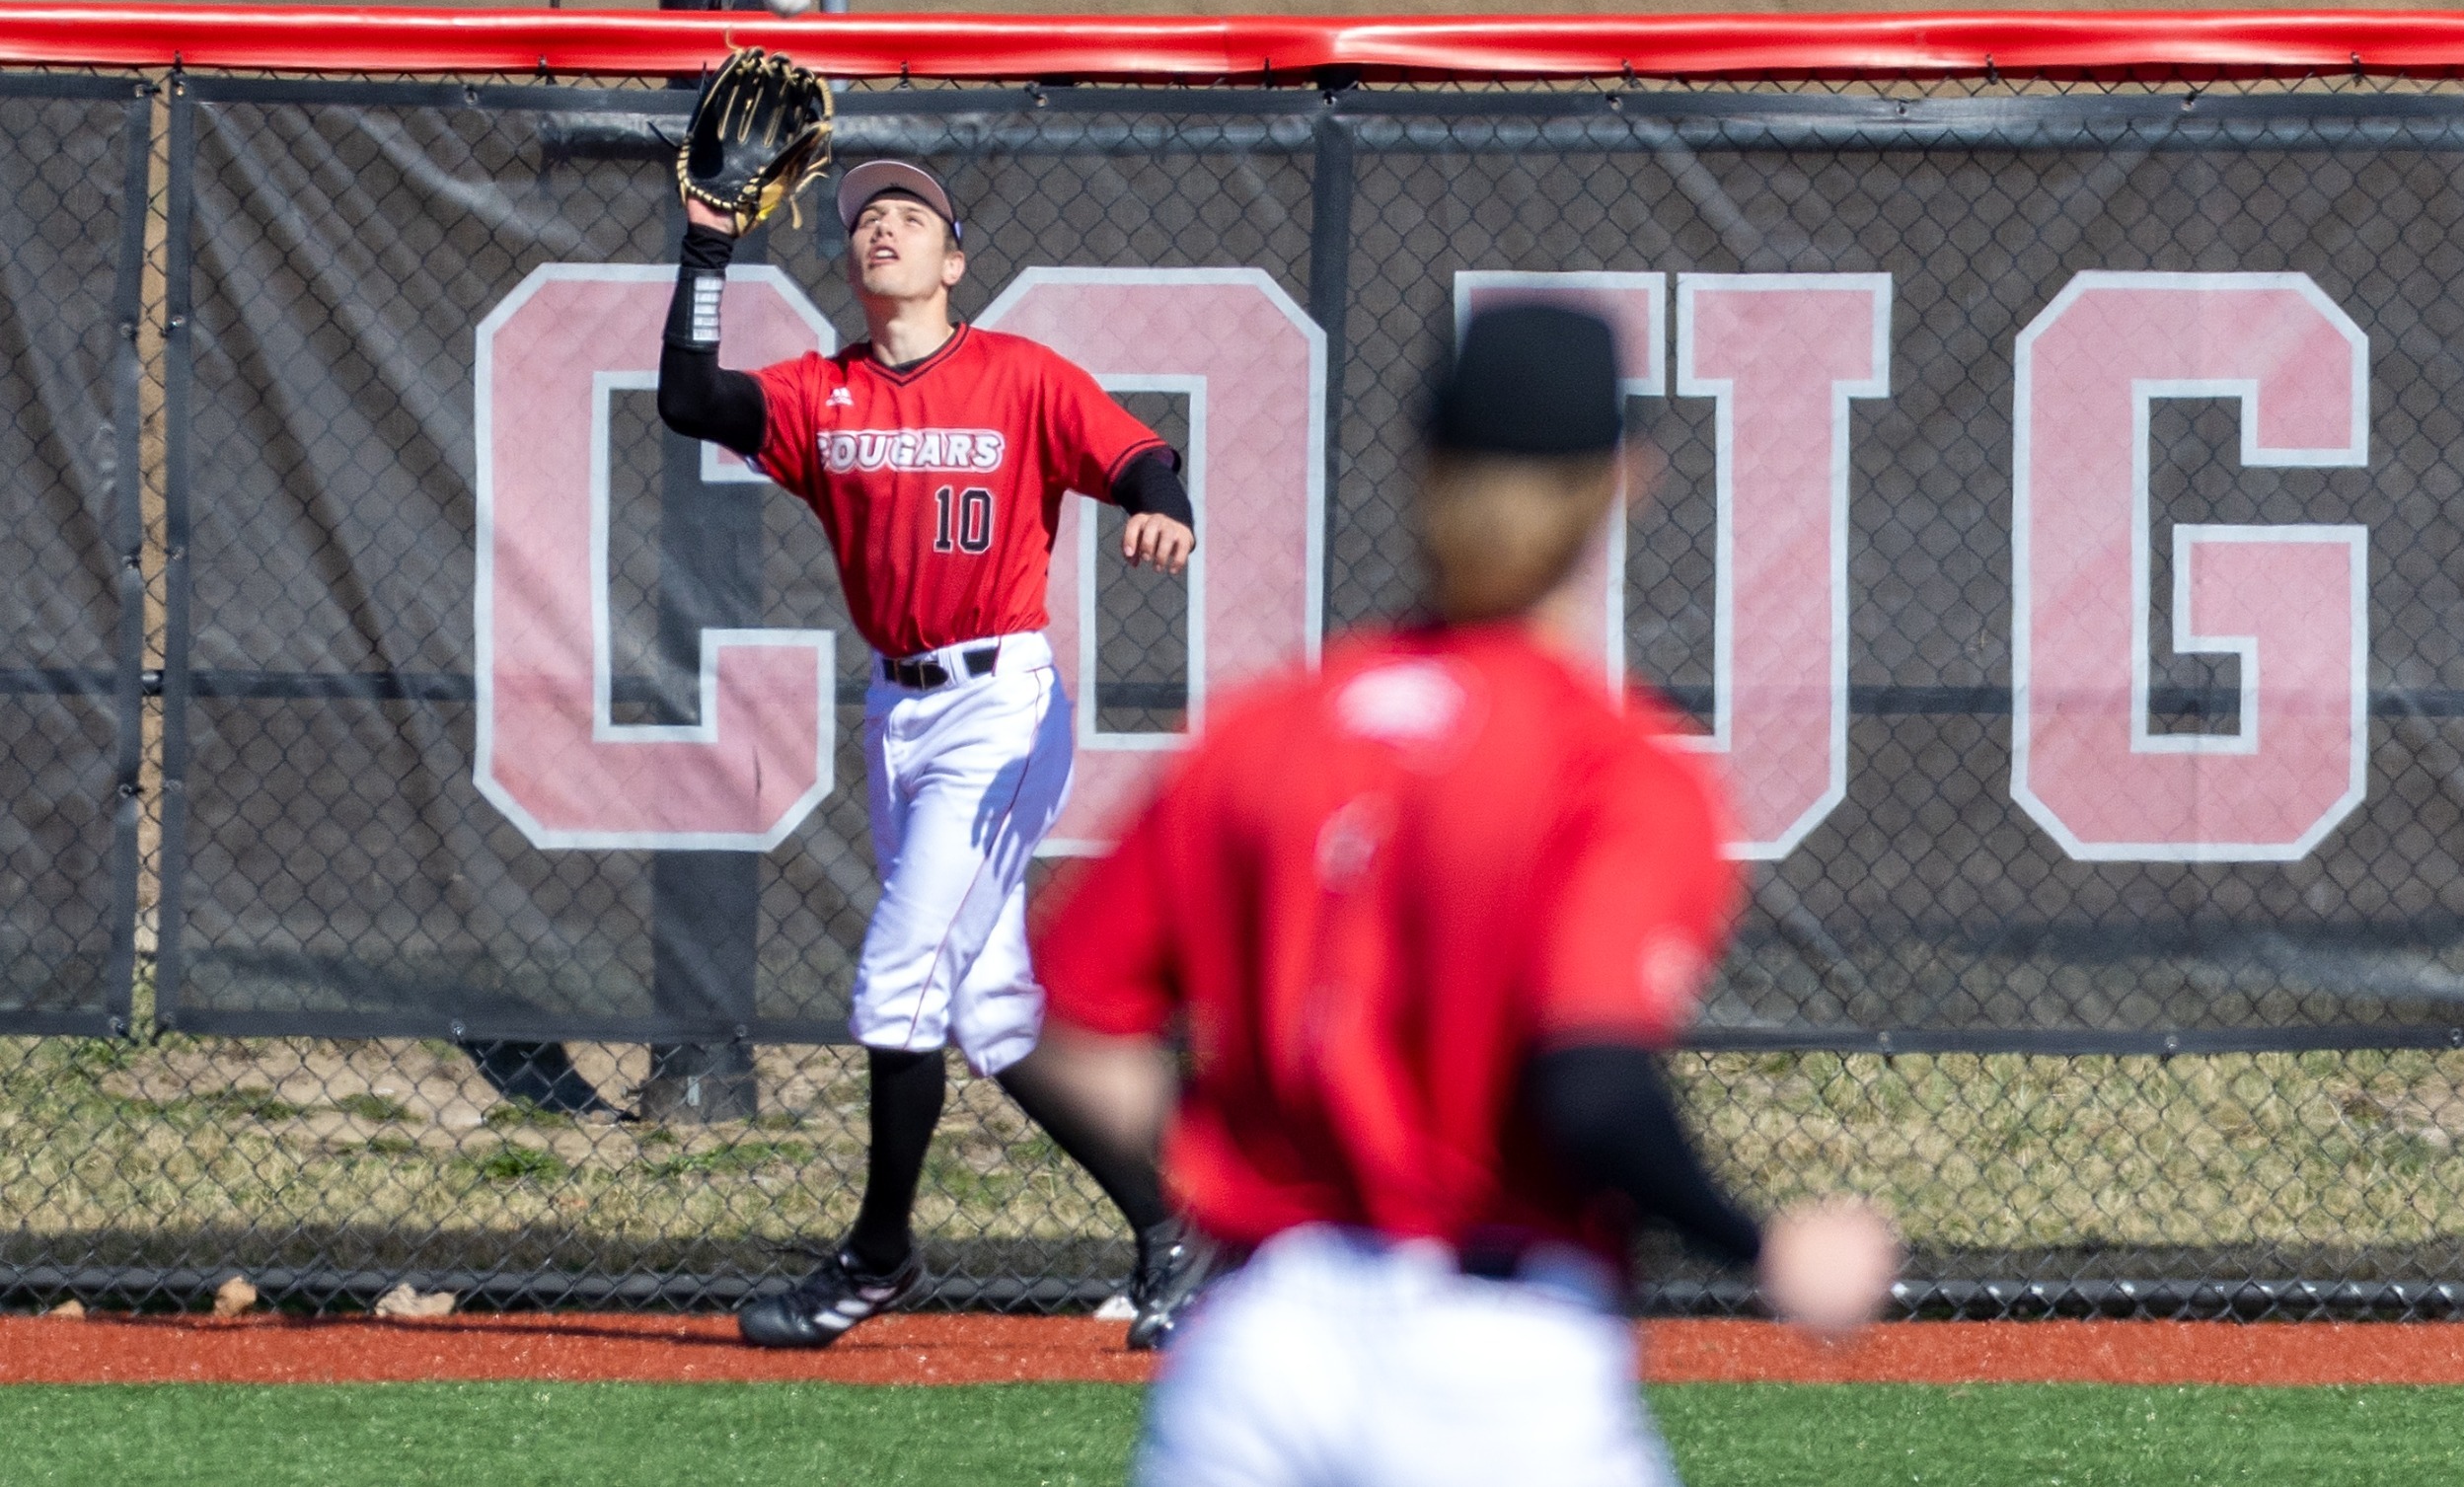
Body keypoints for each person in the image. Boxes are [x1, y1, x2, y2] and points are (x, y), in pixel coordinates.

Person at [1029, 305, 1900, 1485]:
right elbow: (1585, 1080)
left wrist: (1250, 1152)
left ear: (1423, 463)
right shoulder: (1616, 766)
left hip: (1258, 1351)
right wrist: (1764, 1243)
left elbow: (1075, 1026)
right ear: (1623, 481)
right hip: (1501, 1362)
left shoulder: (1263, 729)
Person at [655, 158, 1212, 1351]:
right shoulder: (823, 393)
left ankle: (878, 1251)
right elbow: (691, 401)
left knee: (895, 981)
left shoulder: (1019, 375)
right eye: (866, 220)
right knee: (994, 1009)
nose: (884, 230)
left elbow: (1134, 456)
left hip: (999, 708)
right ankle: (1175, 1226)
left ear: (954, 263)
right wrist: (706, 249)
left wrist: (1165, 506)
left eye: (911, 218)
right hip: (895, 711)